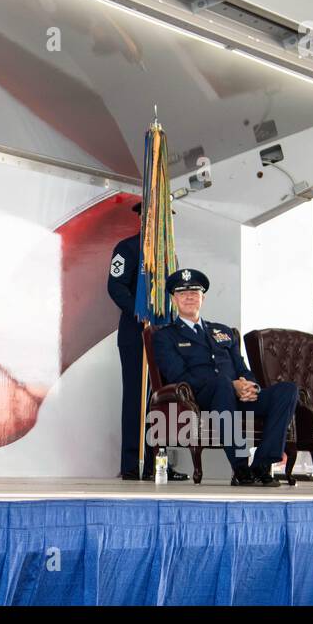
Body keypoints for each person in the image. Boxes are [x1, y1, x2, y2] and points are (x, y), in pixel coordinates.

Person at [151, 269, 298, 486]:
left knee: (288, 390)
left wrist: (251, 387)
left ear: (203, 297)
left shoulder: (222, 331)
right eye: (183, 294)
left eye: (194, 292)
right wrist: (232, 386)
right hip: (201, 399)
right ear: (174, 299)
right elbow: (178, 376)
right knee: (221, 384)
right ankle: (240, 466)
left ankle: (261, 465)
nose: (189, 297)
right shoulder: (165, 336)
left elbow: (243, 369)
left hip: (237, 398)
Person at [107, 201, 187, 480]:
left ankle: (159, 463)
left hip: (164, 338)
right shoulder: (127, 248)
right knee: (136, 399)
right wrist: (138, 312)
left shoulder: (169, 256)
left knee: (162, 401)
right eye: (153, 217)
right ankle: (132, 465)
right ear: (142, 219)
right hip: (136, 335)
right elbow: (114, 286)